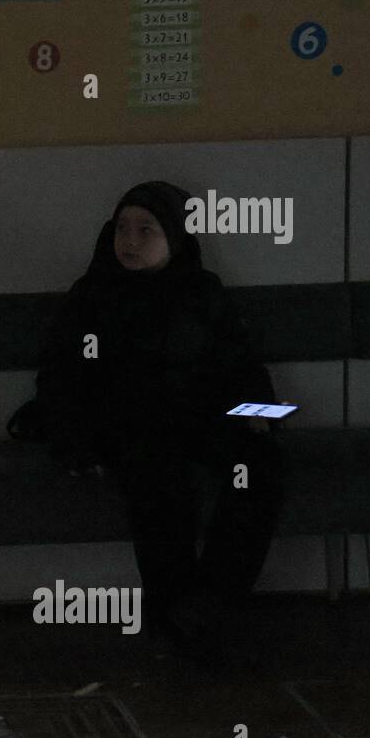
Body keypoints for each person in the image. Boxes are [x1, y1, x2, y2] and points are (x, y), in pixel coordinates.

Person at [32, 181, 285, 653]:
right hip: (127, 425)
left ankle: (208, 603)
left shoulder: (202, 292)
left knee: (261, 465)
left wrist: (262, 413)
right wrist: (73, 441)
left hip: (202, 419)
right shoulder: (93, 296)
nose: (130, 241)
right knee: (158, 478)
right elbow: (59, 377)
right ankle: (178, 612)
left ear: (176, 236)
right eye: (123, 228)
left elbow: (240, 363)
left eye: (146, 229)